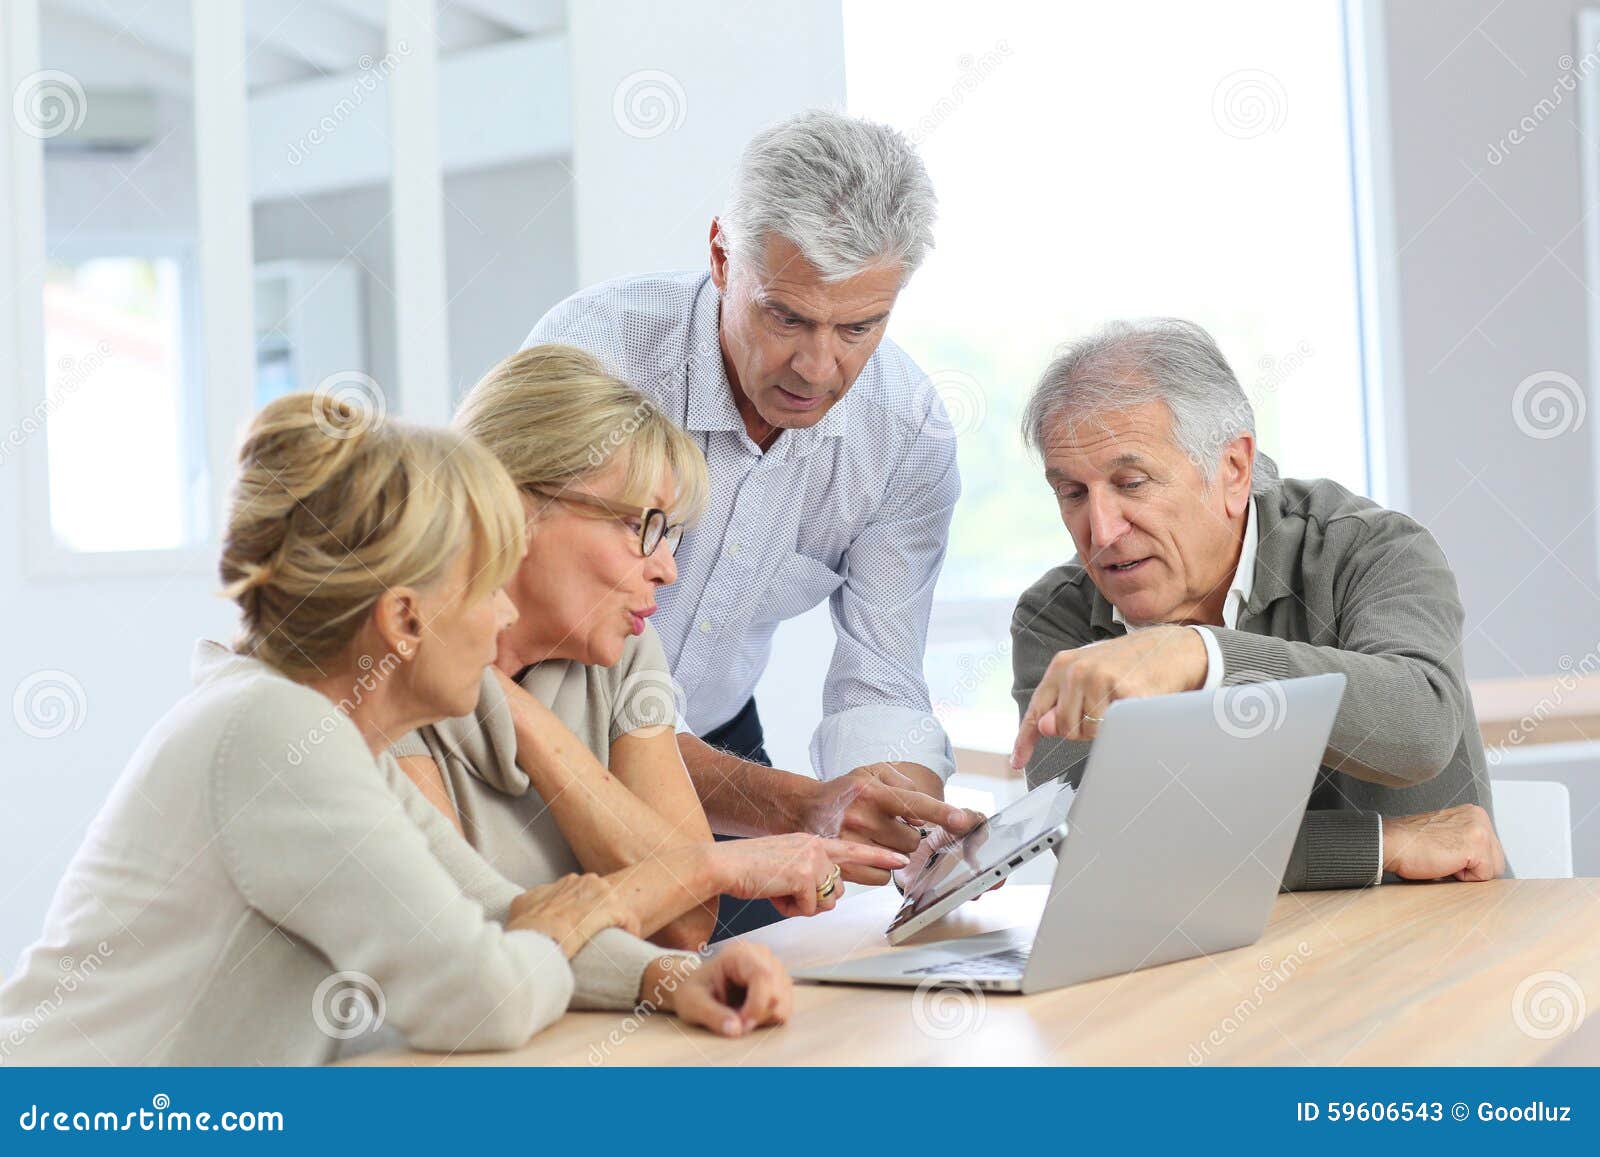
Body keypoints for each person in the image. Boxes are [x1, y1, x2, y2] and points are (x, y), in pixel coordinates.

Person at [0, 393, 790, 1066]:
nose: (507, 615)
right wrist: (553, 935)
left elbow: (492, 911)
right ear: (406, 619)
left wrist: (666, 979)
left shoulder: (325, 733)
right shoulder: (272, 733)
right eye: (489, 590)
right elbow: (481, 994)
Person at [524, 111, 979, 933]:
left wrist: (897, 821)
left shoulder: (905, 432)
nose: (817, 367)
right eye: (787, 317)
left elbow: (881, 676)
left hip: (721, 739)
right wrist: (804, 807)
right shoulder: (596, 357)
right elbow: (560, 677)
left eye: (858, 327)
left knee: (765, 1001)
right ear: (722, 257)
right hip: (551, 729)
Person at [388, 345, 909, 945]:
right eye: (642, 526)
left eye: (671, 533)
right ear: (514, 507)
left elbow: (686, 925)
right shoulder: (388, 676)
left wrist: (512, 705)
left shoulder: (622, 655)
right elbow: (469, 950)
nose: (668, 569)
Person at [1009, 319, 1507, 890]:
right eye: (1072, 492)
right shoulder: (1056, 618)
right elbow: (1105, 852)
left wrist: (1203, 656)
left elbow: (1422, 728)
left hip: (1428, 945)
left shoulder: (1371, 549)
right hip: (1208, 962)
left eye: (1132, 483)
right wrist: (1381, 845)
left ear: (1233, 469)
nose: (1099, 529)